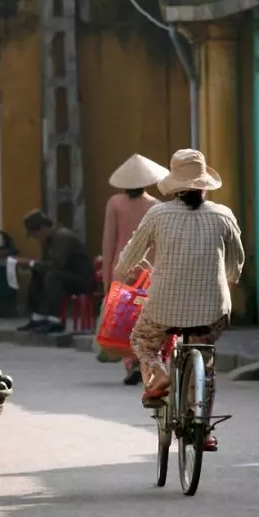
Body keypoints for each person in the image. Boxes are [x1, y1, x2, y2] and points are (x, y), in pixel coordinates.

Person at [114, 149, 244, 452]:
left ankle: (158, 373)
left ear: (174, 185)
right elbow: (236, 264)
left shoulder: (158, 214)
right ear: (203, 185)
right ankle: (204, 426)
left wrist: (121, 275)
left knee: (143, 340)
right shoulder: (223, 215)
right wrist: (227, 282)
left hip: (163, 307)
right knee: (205, 358)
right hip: (212, 309)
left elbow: (131, 255)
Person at [100, 154, 167, 386]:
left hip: (123, 268)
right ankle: (144, 362)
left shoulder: (115, 203)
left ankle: (130, 362)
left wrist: (107, 276)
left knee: (125, 319)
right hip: (151, 269)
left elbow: (109, 241)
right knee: (146, 319)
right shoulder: (156, 206)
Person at [16, 211, 96, 334]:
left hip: (82, 280)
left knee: (52, 277)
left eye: (35, 234)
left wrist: (31, 264)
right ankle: (39, 317)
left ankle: (56, 320)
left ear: (43, 229)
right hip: (66, 276)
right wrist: (31, 266)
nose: (35, 238)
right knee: (38, 273)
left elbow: (57, 265)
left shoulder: (63, 237)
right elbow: (45, 264)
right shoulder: (48, 240)